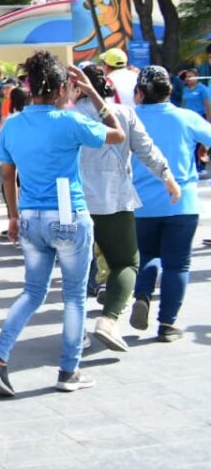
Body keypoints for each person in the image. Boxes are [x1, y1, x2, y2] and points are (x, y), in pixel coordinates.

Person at [0, 51, 125, 397]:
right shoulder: (70, 120)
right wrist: (91, 92)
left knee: (32, 292)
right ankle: (69, 370)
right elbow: (117, 134)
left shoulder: (11, 125)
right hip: (69, 214)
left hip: (30, 216)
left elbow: (8, 176)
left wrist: (12, 216)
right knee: (74, 296)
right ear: (62, 88)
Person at [72, 65, 176, 351]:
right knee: (126, 263)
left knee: (75, 270)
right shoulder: (124, 113)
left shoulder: (66, 117)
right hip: (114, 201)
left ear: (75, 87)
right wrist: (167, 176)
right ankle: (108, 319)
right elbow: (146, 149)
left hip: (74, 203)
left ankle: (75, 331)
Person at [129, 66, 211, 342]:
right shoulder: (186, 117)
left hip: (140, 204)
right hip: (182, 203)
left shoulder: (129, 118)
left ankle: (142, 294)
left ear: (139, 92)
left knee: (147, 256)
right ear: (170, 90)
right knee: (177, 265)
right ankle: (167, 324)